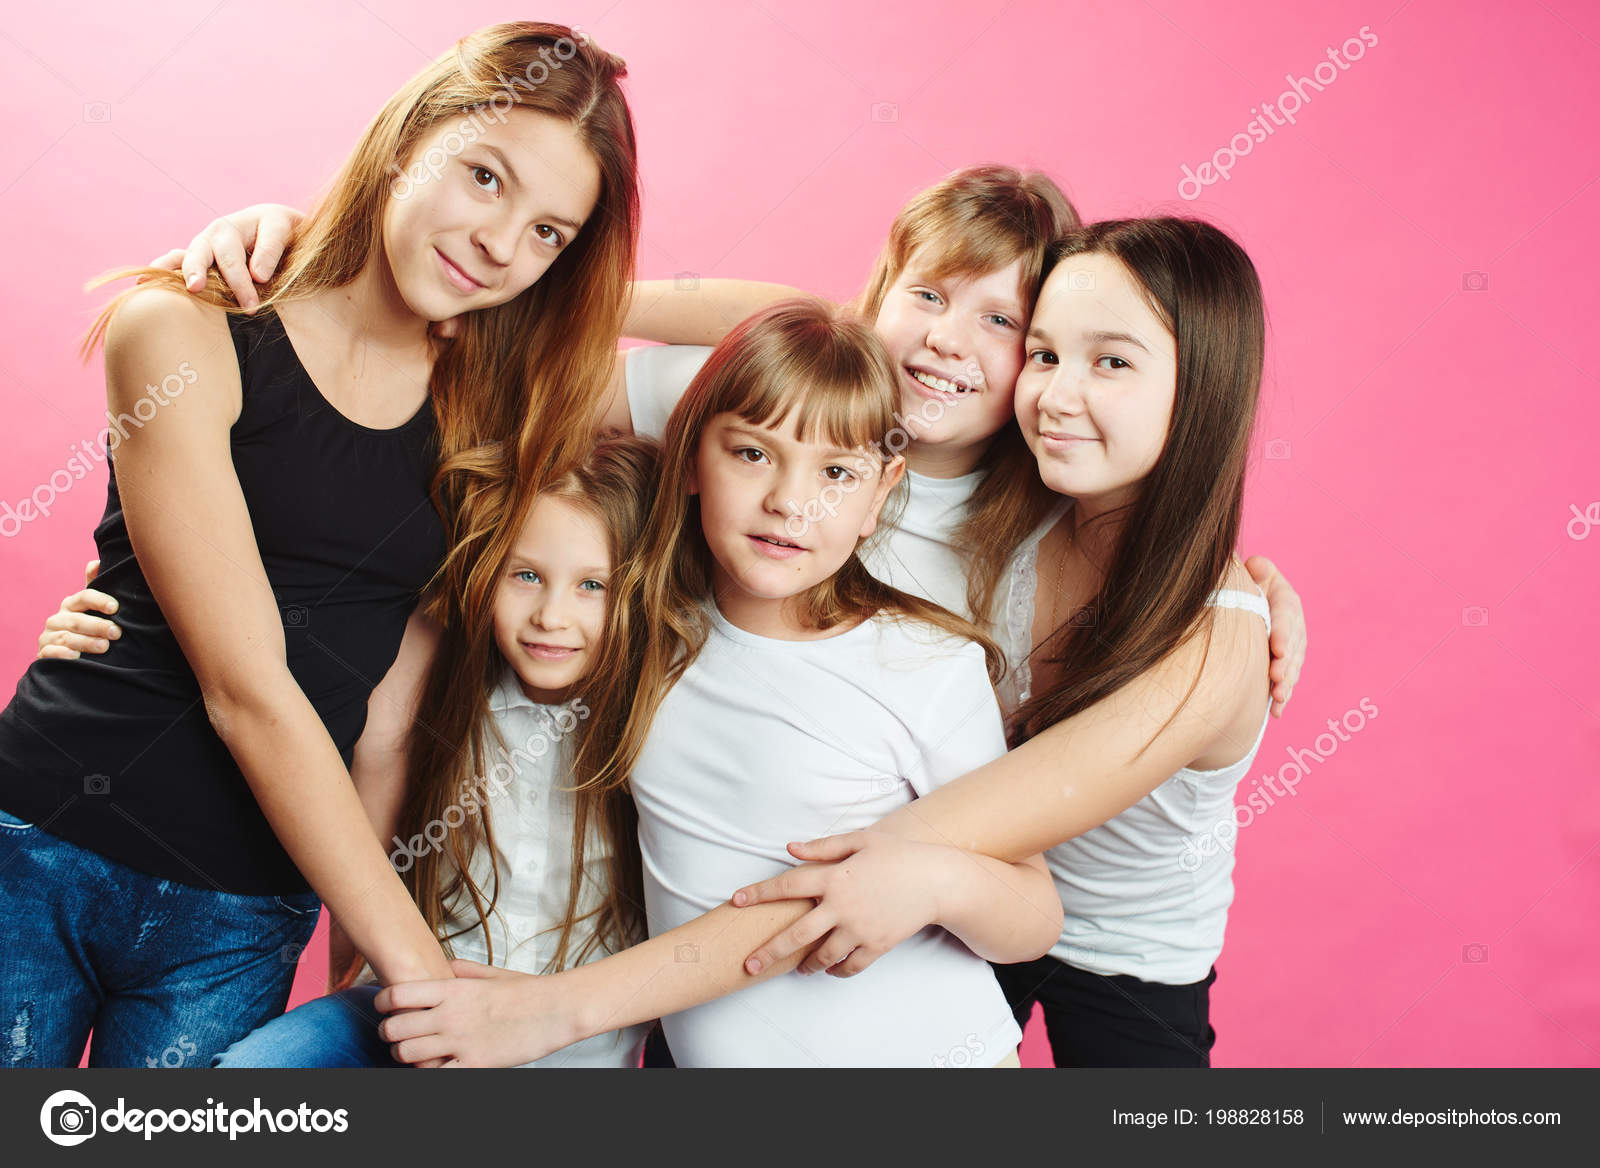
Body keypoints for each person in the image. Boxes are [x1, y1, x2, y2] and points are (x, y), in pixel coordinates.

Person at [0, 21, 639, 1067]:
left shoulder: (492, 412)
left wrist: (362, 972)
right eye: (483, 177)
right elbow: (245, 687)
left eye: (547, 235)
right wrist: (422, 975)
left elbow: (386, 725)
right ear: (408, 141)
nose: (499, 245)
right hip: (43, 845)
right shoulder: (184, 329)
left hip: (243, 912)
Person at [374, 301, 1062, 1067]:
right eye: (753, 453)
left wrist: (935, 883)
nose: (790, 502)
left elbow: (1034, 917)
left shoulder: (926, 665)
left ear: (880, 492)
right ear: (690, 457)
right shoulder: (643, 632)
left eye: (837, 472)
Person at [731, 218, 1280, 1067]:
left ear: (1204, 387)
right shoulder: (1023, 496)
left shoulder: (1218, 636)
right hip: (983, 909)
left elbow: (915, 842)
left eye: (1112, 362)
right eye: (1045, 354)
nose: (1056, 396)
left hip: (1125, 953)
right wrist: (591, 299)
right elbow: (837, 337)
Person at [213, 440, 659, 1068]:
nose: (551, 616)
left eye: (592, 585)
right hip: (412, 1014)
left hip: (574, 1050)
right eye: (526, 576)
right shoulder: (438, 685)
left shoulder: (657, 720)